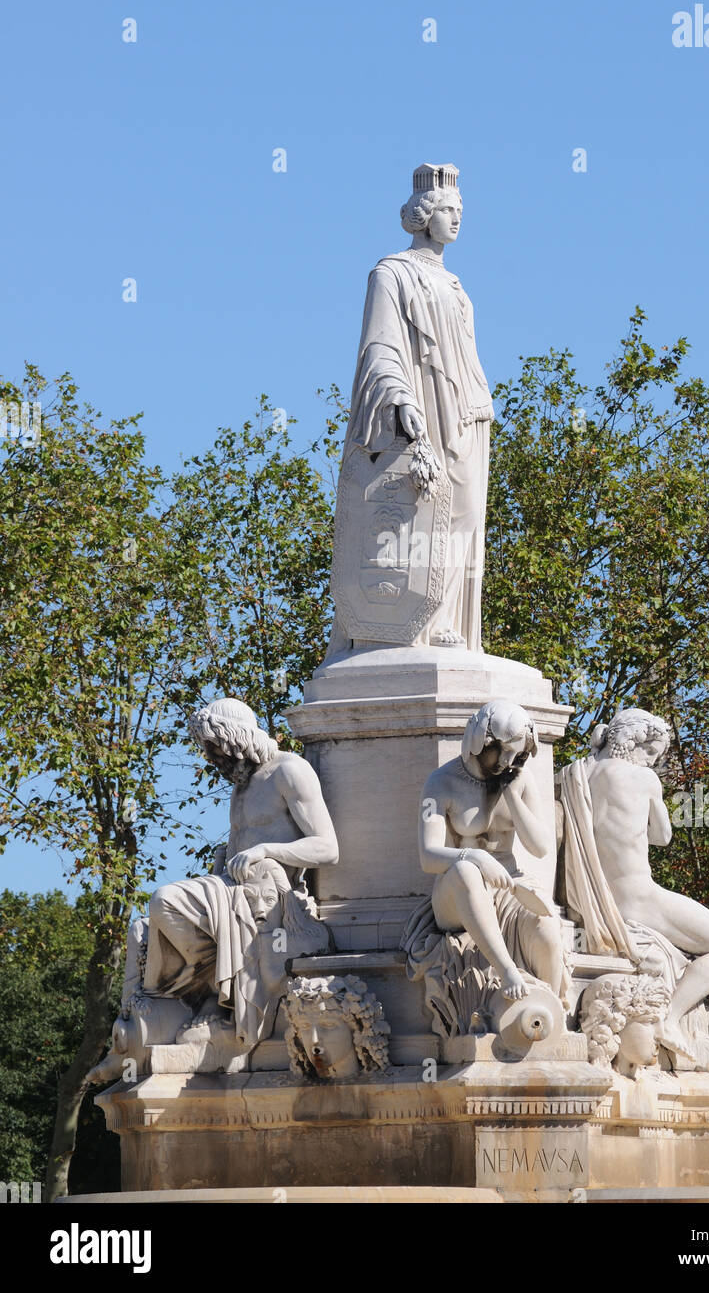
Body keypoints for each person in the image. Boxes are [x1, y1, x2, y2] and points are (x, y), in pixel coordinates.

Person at [328, 162, 494, 653]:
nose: (457, 218)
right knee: (424, 512)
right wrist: (399, 398)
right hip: (423, 408)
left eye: (460, 209)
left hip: (467, 412)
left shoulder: (458, 285)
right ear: (423, 215)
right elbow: (379, 347)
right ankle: (417, 626)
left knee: (465, 515)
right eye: (447, 209)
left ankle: (453, 625)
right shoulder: (391, 273)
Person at [141, 698, 338, 1046]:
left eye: (216, 747)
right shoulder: (242, 784)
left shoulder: (289, 770)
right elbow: (236, 847)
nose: (212, 757)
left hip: (269, 894)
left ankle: (216, 997)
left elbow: (327, 847)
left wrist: (266, 850)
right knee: (152, 916)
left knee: (165, 899)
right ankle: (207, 994)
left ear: (238, 736)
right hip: (233, 886)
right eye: (208, 750)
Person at [584, 709, 709, 1057]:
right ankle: (671, 1017)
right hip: (640, 897)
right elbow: (663, 836)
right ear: (636, 742)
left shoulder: (578, 775)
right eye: (652, 753)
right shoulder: (644, 779)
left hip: (602, 899)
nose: (652, 762)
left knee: (687, 940)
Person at [418, 700, 564, 1001]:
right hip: (458, 891)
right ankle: (507, 970)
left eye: (518, 754)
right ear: (481, 742)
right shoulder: (441, 782)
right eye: (504, 751)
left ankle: (553, 1005)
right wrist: (475, 856)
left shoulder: (521, 780)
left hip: (510, 883)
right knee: (465, 870)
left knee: (548, 931)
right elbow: (428, 856)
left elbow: (539, 847)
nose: (510, 761)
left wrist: (511, 794)